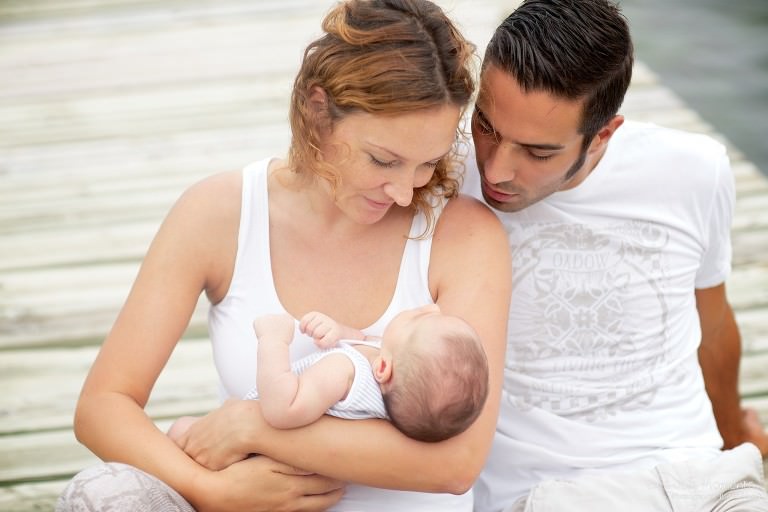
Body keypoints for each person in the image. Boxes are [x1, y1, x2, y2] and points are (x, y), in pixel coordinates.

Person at [55, 1, 511, 511]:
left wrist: (254, 426)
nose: (406, 192)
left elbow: (456, 464)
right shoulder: (220, 214)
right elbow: (102, 406)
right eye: (384, 160)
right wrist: (212, 491)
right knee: (98, 494)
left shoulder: (464, 236)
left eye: (428, 164)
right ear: (319, 112)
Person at [461, 1, 768, 511]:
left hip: (695, 480)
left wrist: (735, 429)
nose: (495, 171)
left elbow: (711, 321)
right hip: (542, 494)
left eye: (538, 153)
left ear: (603, 134)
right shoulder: (434, 172)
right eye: (486, 127)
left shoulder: (694, 170)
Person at [169, 305, 489, 443]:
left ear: (383, 369)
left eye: (417, 320)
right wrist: (337, 331)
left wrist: (274, 340)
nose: (429, 308)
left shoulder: (344, 371)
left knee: (181, 431)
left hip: (253, 456)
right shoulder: (386, 371)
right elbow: (363, 343)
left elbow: (283, 408)